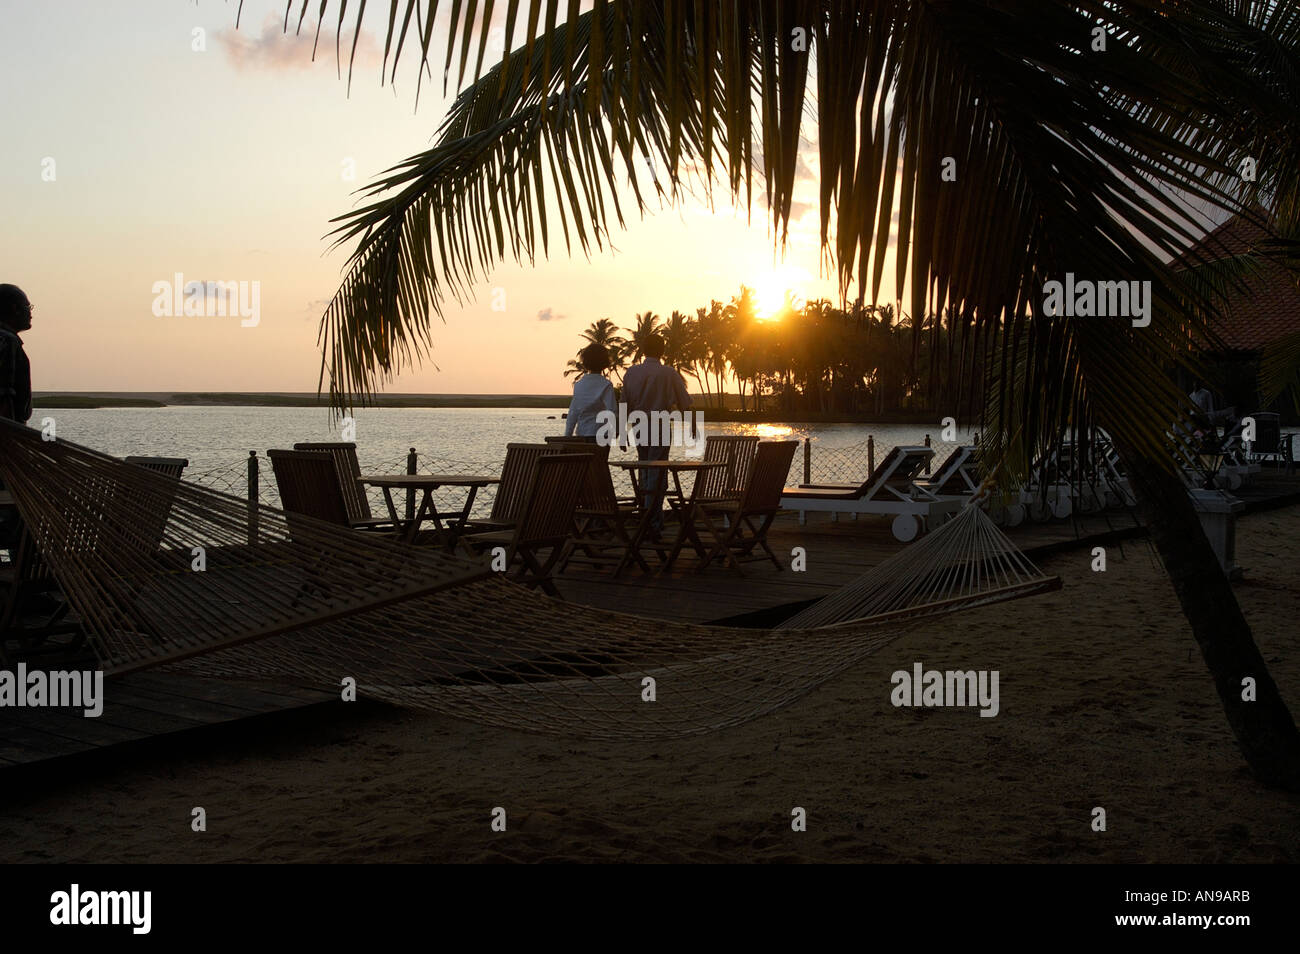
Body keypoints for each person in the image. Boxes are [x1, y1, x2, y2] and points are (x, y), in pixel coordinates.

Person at [621, 333, 693, 535]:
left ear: (643, 351)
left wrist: (621, 433)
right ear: (662, 351)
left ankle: (650, 517)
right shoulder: (668, 373)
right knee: (657, 472)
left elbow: (624, 404)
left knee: (645, 468)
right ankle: (651, 520)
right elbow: (685, 403)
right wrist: (692, 427)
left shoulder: (631, 373)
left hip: (638, 426)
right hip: (659, 425)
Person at [564, 342, 618, 441]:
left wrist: (567, 436)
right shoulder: (606, 384)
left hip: (581, 434)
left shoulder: (578, 385)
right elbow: (612, 410)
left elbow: (573, 413)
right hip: (601, 435)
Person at [0, 284, 33, 424]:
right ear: (15, 309)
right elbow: (4, 396)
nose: (30, 313)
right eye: (28, 307)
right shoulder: (8, 341)